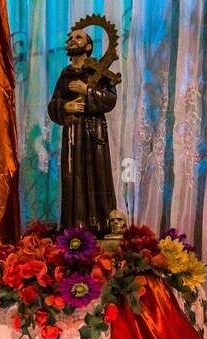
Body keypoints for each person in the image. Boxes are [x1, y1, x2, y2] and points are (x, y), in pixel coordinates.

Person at [48, 28, 119, 235]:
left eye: (78, 37)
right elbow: (54, 103)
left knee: (97, 175)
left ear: (88, 46)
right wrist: (66, 107)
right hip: (72, 133)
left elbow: (110, 99)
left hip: (93, 132)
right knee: (73, 177)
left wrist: (87, 90)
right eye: (70, 38)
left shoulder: (99, 71)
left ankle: (100, 226)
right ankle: (74, 228)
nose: (71, 40)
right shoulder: (65, 74)